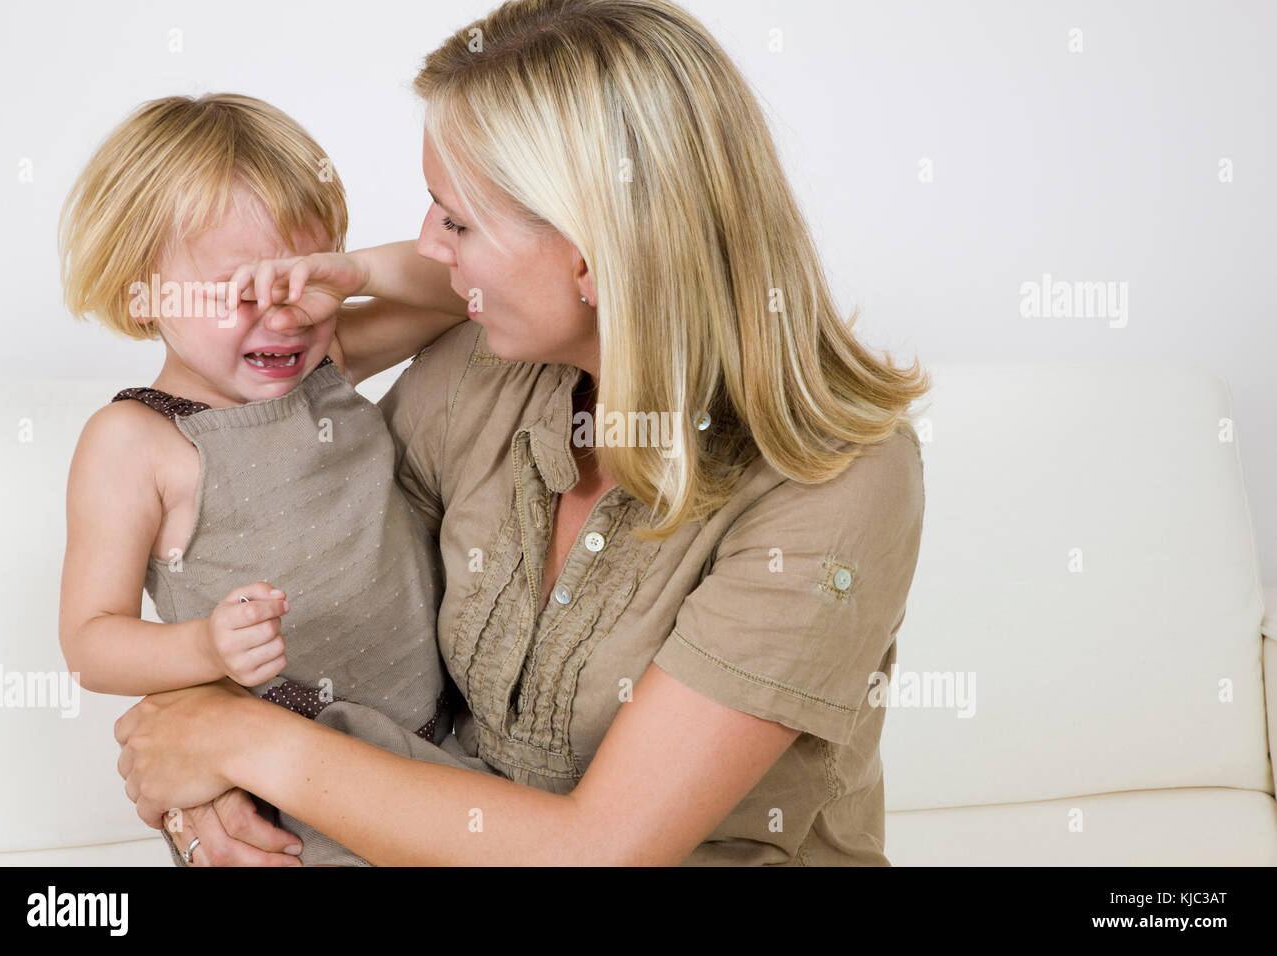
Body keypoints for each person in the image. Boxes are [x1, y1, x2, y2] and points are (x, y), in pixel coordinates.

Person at [114, 0, 931, 865]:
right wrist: (205, 789)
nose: (429, 247)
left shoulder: (838, 482)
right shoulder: (484, 368)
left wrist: (243, 745)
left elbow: (599, 850)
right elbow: (314, 581)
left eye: (457, 220)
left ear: (590, 254)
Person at [58, 93, 466, 866]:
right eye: (239, 293)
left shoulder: (328, 363)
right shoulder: (138, 443)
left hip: (432, 750)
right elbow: (91, 643)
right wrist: (204, 649)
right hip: (281, 795)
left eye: (300, 282)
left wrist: (352, 274)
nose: (281, 319)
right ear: (143, 292)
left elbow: (462, 288)